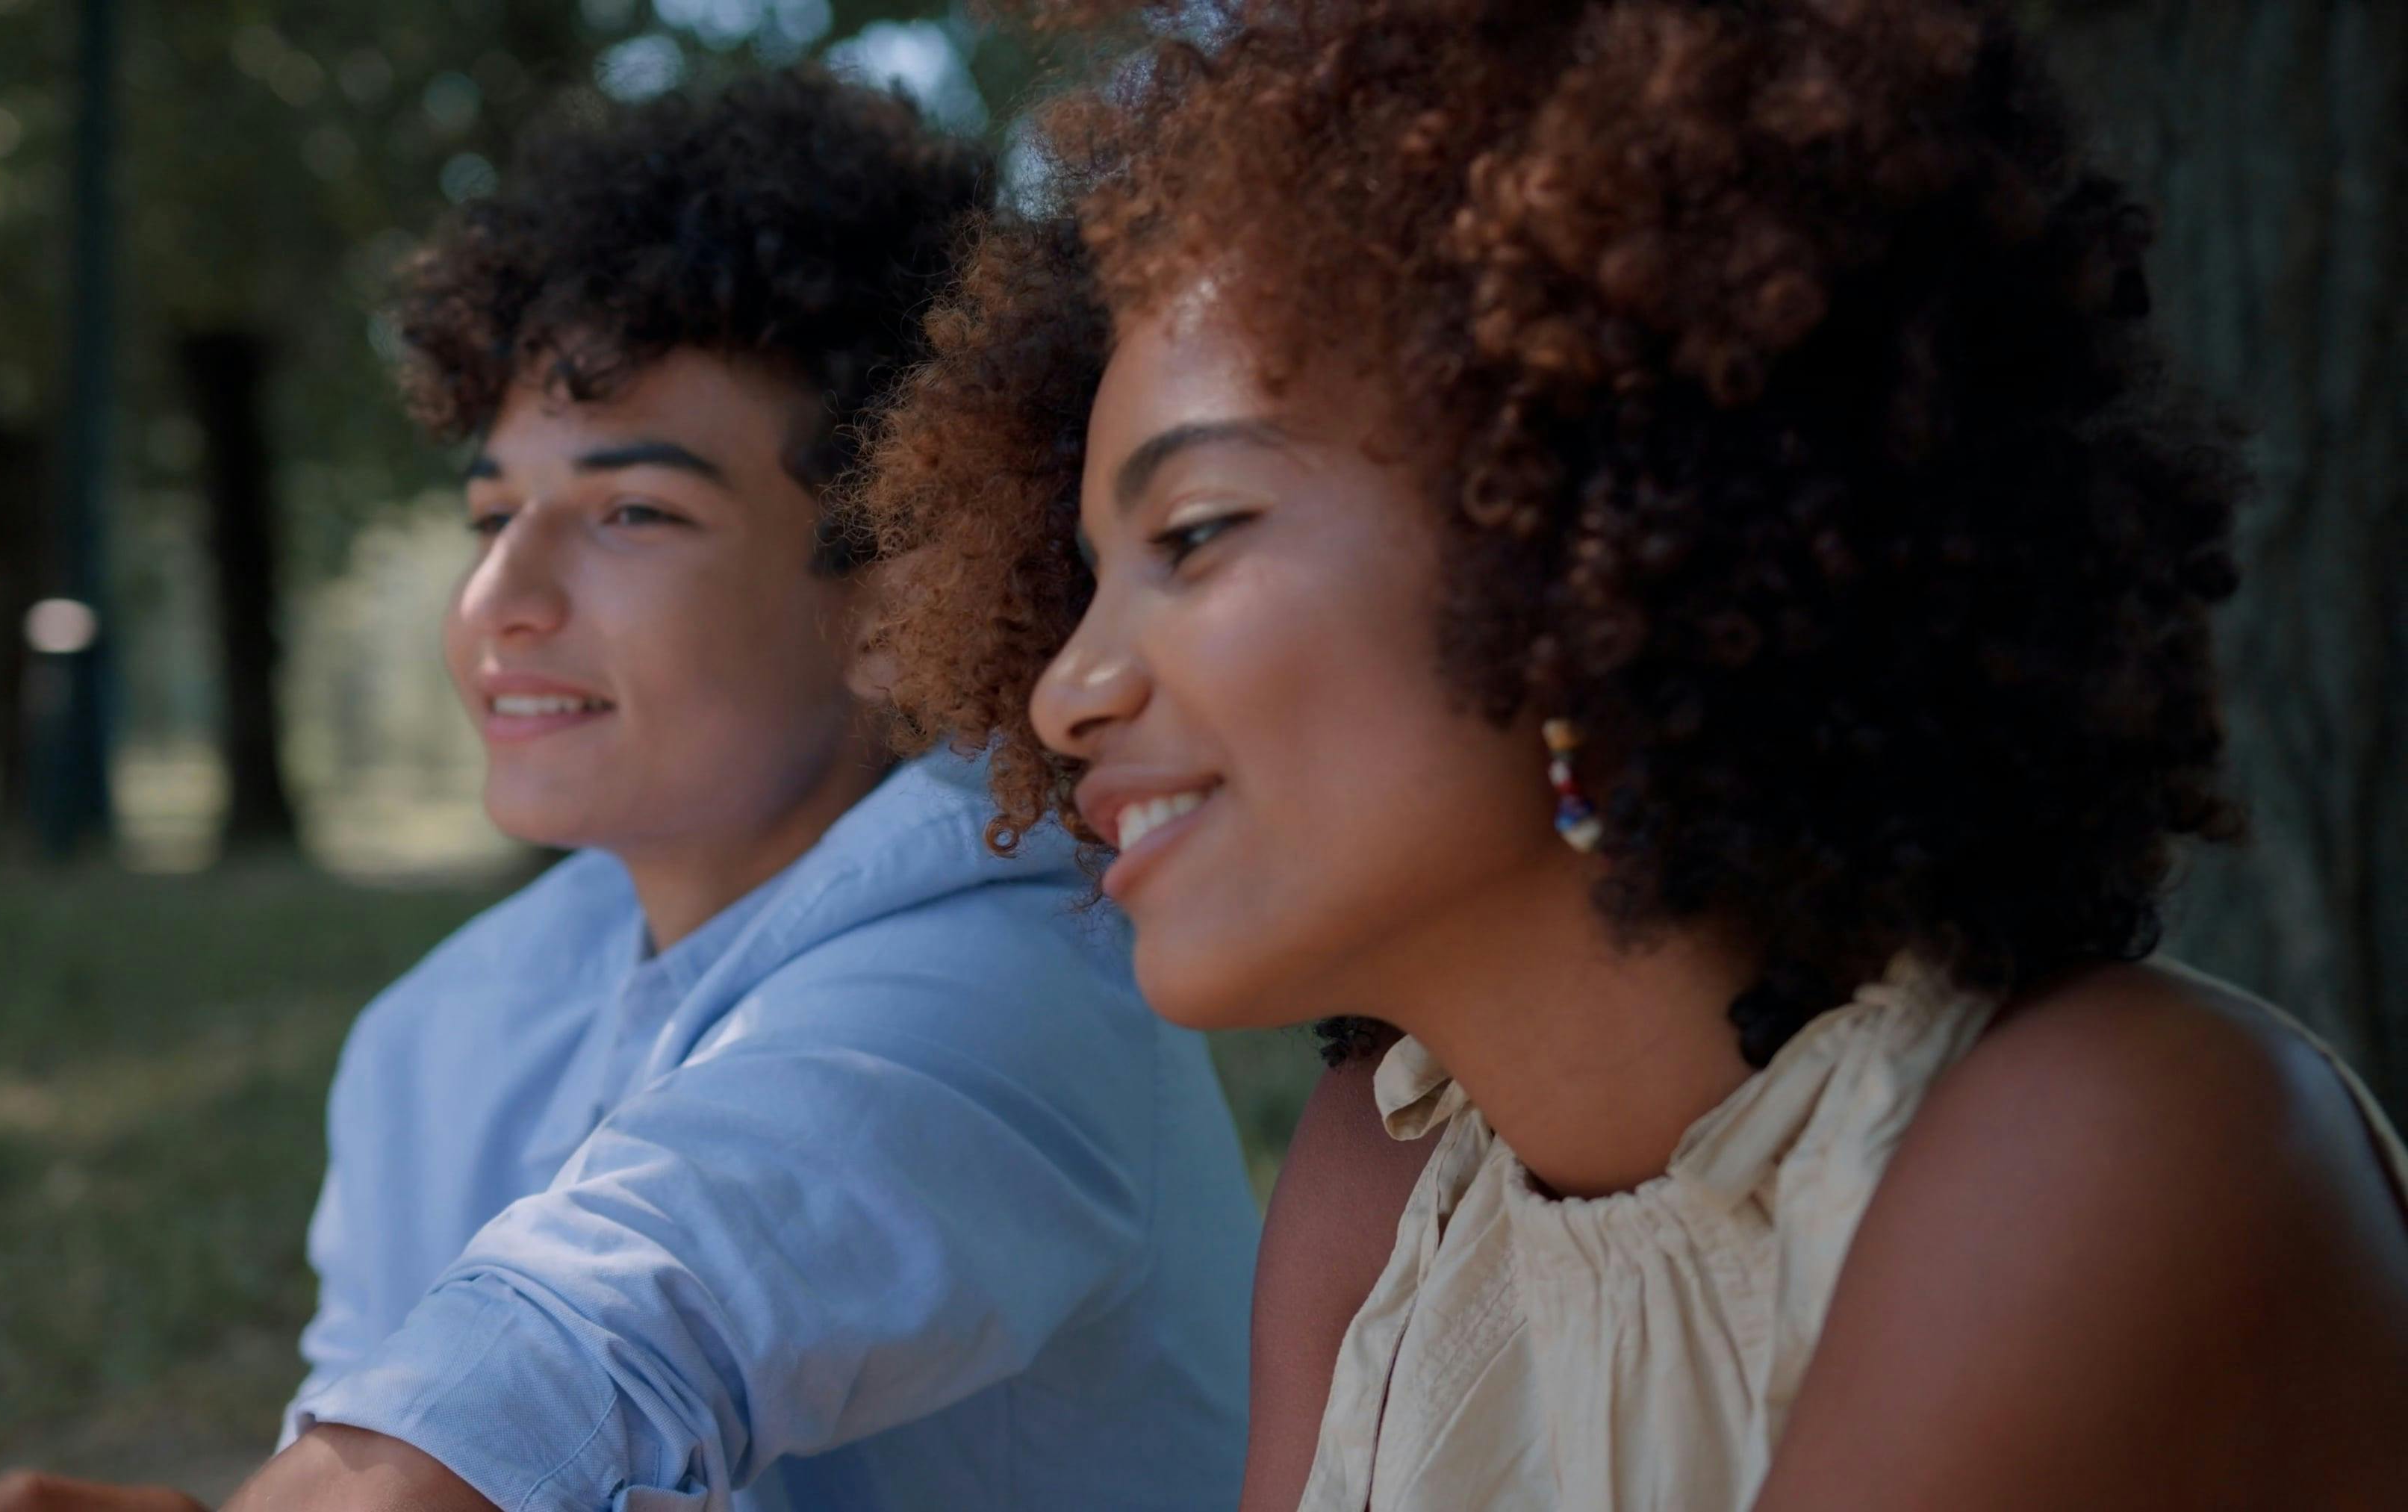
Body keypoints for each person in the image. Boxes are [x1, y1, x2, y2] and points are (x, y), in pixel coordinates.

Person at [854, 1, 2408, 1508]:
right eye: (1087, 574)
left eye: (1193, 533)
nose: (1067, 689)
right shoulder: (1391, 1184)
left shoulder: (2110, 1137)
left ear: (1586, 536)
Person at [0, 69, 1258, 1512]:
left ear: (903, 596)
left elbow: (614, 1331)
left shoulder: (1019, 974)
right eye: (493, 512)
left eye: (634, 511)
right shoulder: (441, 1032)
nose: (502, 596)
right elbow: (412, 1438)